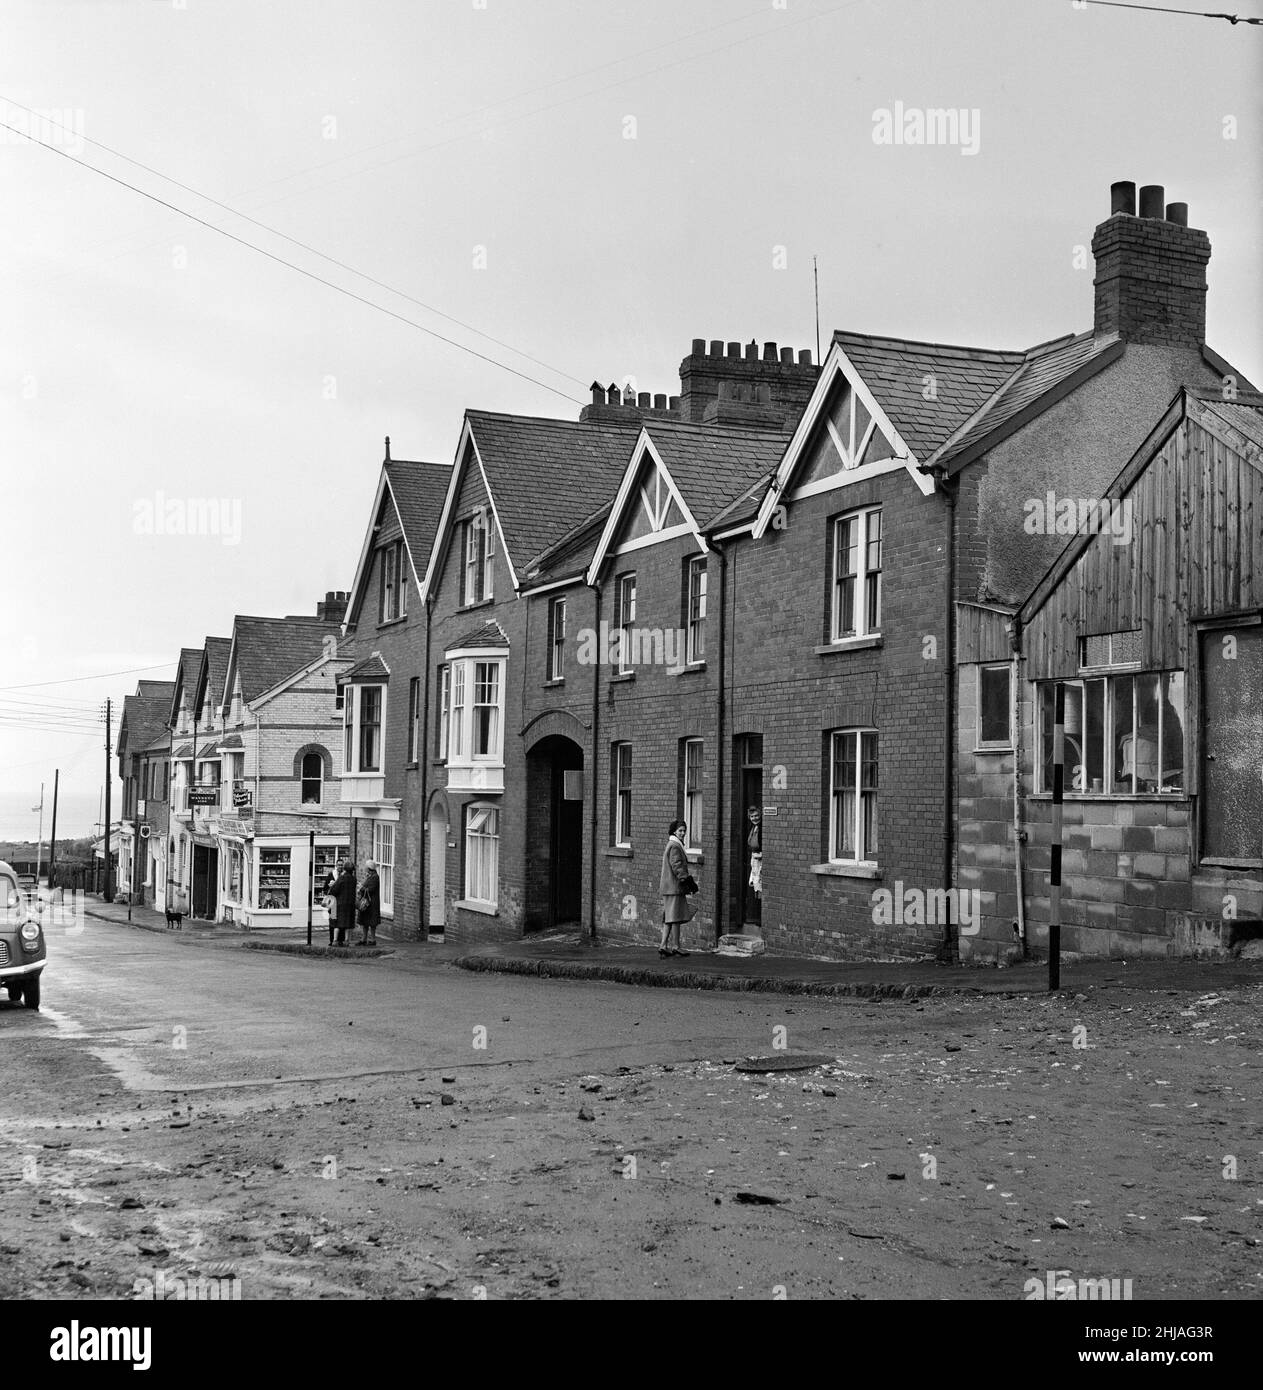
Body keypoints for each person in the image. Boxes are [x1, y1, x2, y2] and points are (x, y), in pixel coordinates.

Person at [659, 819, 695, 958]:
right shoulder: (675, 846)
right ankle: (675, 947)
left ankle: (664, 946)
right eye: (680, 830)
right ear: (674, 831)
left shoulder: (672, 844)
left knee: (670, 917)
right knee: (675, 917)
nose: (683, 833)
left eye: (684, 831)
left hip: (669, 887)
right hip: (674, 887)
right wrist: (685, 879)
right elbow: (677, 865)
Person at [329, 858, 357, 947]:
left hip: (340, 904)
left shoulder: (341, 878)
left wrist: (332, 885)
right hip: (350, 904)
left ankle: (335, 940)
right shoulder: (354, 879)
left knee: (337, 923)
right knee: (348, 924)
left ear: (345, 869)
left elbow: (334, 890)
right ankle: (346, 941)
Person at [357, 858, 382, 946]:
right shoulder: (370, 876)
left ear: (369, 868)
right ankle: (364, 939)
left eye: (366, 867)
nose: (364, 868)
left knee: (372, 923)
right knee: (365, 922)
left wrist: (361, 887)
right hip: (367, 903)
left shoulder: (375, 877)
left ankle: (373, 939)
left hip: (372, 903)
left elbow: (370, 890)